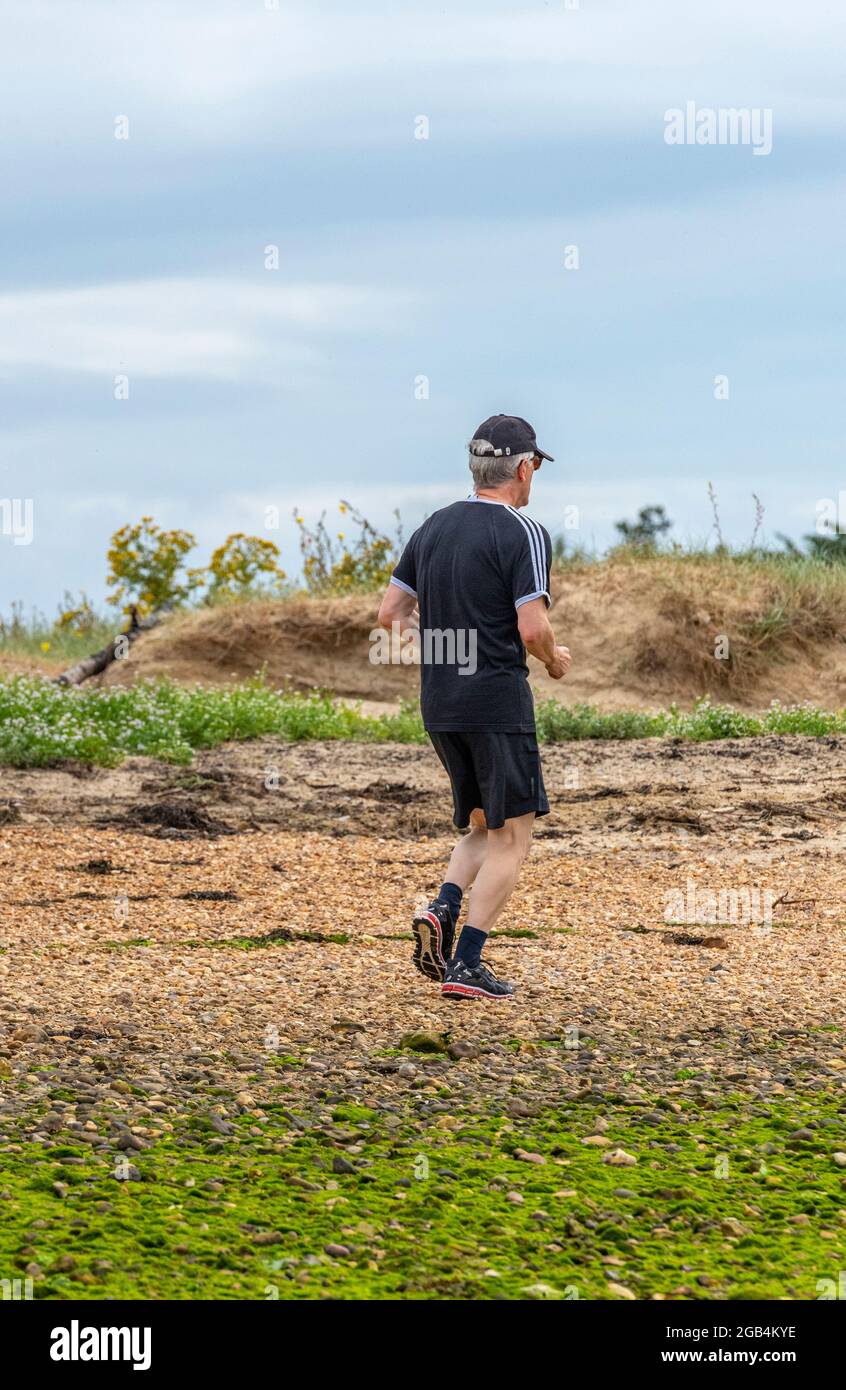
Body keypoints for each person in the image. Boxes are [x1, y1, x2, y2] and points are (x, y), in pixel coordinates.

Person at [377, 414, 571, 1000]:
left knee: (483, 826)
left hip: (441, 701)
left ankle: (441, 910)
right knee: (514, 837)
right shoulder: (523, 531)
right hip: (496, 702)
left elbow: (389, 614)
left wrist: (441, 650)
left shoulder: (433, 527)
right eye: (534, 466)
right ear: (523, 466)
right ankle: (465, 966)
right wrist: (553, 661)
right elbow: (532, 626)